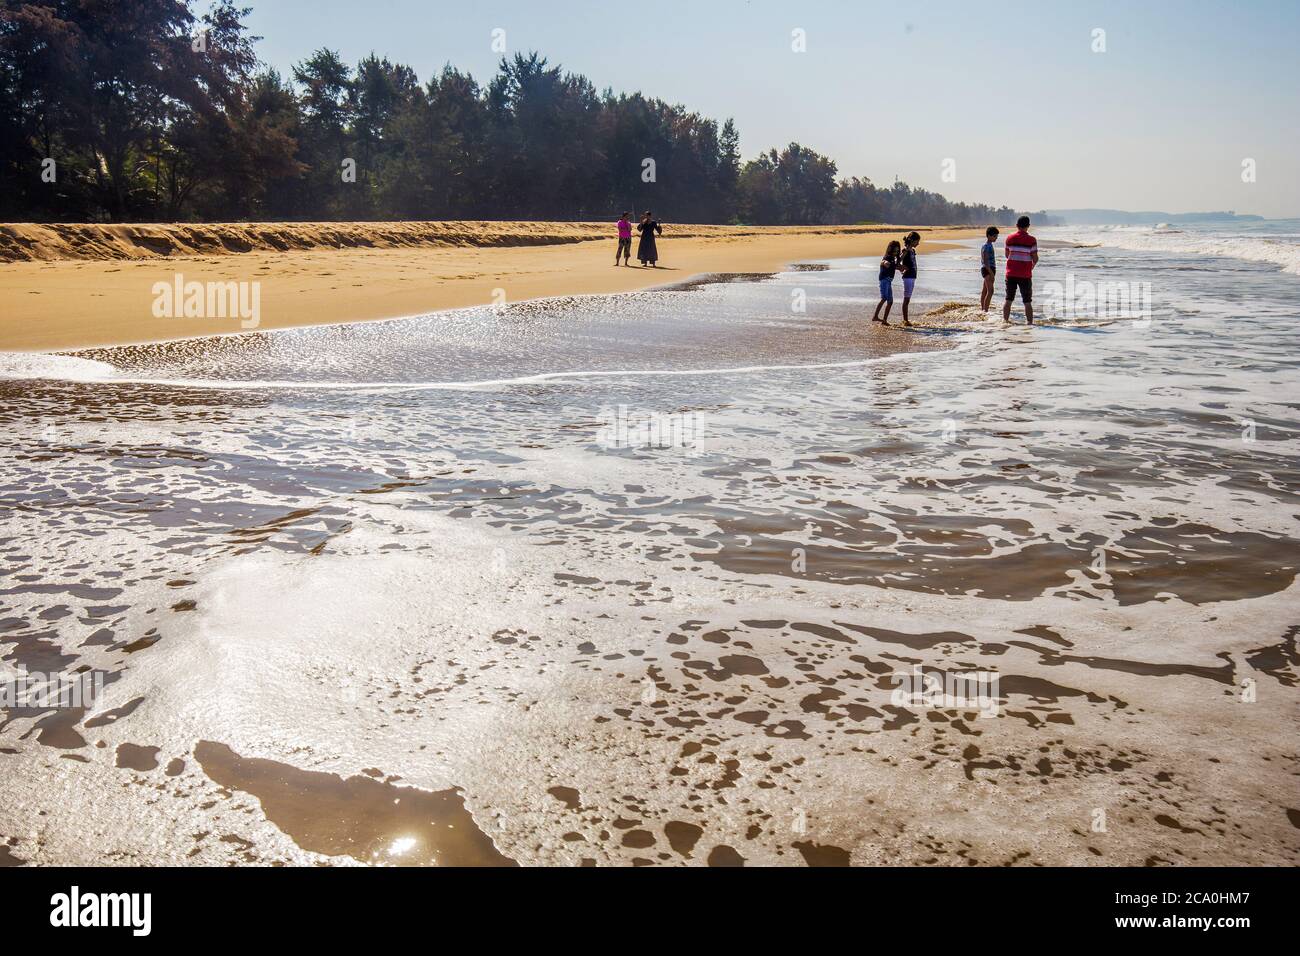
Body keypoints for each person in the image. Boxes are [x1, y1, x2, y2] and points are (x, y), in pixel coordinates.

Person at [1002, 215, 1039, 324]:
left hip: (1011, 273)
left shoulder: (1009, 238)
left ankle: (1005, 322)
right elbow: (1035, 258)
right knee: (1027, 301)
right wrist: (1031, 266)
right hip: (1025, 275)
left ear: (1017, 225)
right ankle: (1029, 324)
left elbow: (1006, 254)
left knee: (1008, 299)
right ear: (1028, 226)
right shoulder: (1032, 240)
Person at [872, 240, 902, 326]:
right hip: (884, 280)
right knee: (884, 298)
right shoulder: (887, 257)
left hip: (889, 281)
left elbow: (894, 266)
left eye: (897, 251)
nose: (895, 253)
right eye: (894, 251)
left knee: (890, 301)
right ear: (890, 250)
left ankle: (884, 320)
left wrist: (900, 267)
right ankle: (875, 316)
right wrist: (885, 263)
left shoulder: (893, 258)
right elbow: (884, 262)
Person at [898, 231, 920, 326]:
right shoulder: (906, 251)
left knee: (908, 299)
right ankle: (905, 320)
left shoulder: (913, 251)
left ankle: (906, 320)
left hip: (912, 277)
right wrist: (902, 269)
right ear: (912, 241)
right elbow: (898, 261)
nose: (918, 243)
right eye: (917, 241)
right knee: (906, 299)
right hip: (908, 277)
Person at [979, 226, 999, 313]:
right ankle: (985, 311)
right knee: (990, 291)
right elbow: (985, 261)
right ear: (989, 236)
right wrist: (991, 273)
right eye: (994, 236)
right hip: (987, 269)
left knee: (985, 290)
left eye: (996, 236)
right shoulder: (986, 246)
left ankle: (983, 308)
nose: (996, 238)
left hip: (990, 269)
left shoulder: (989, 245)